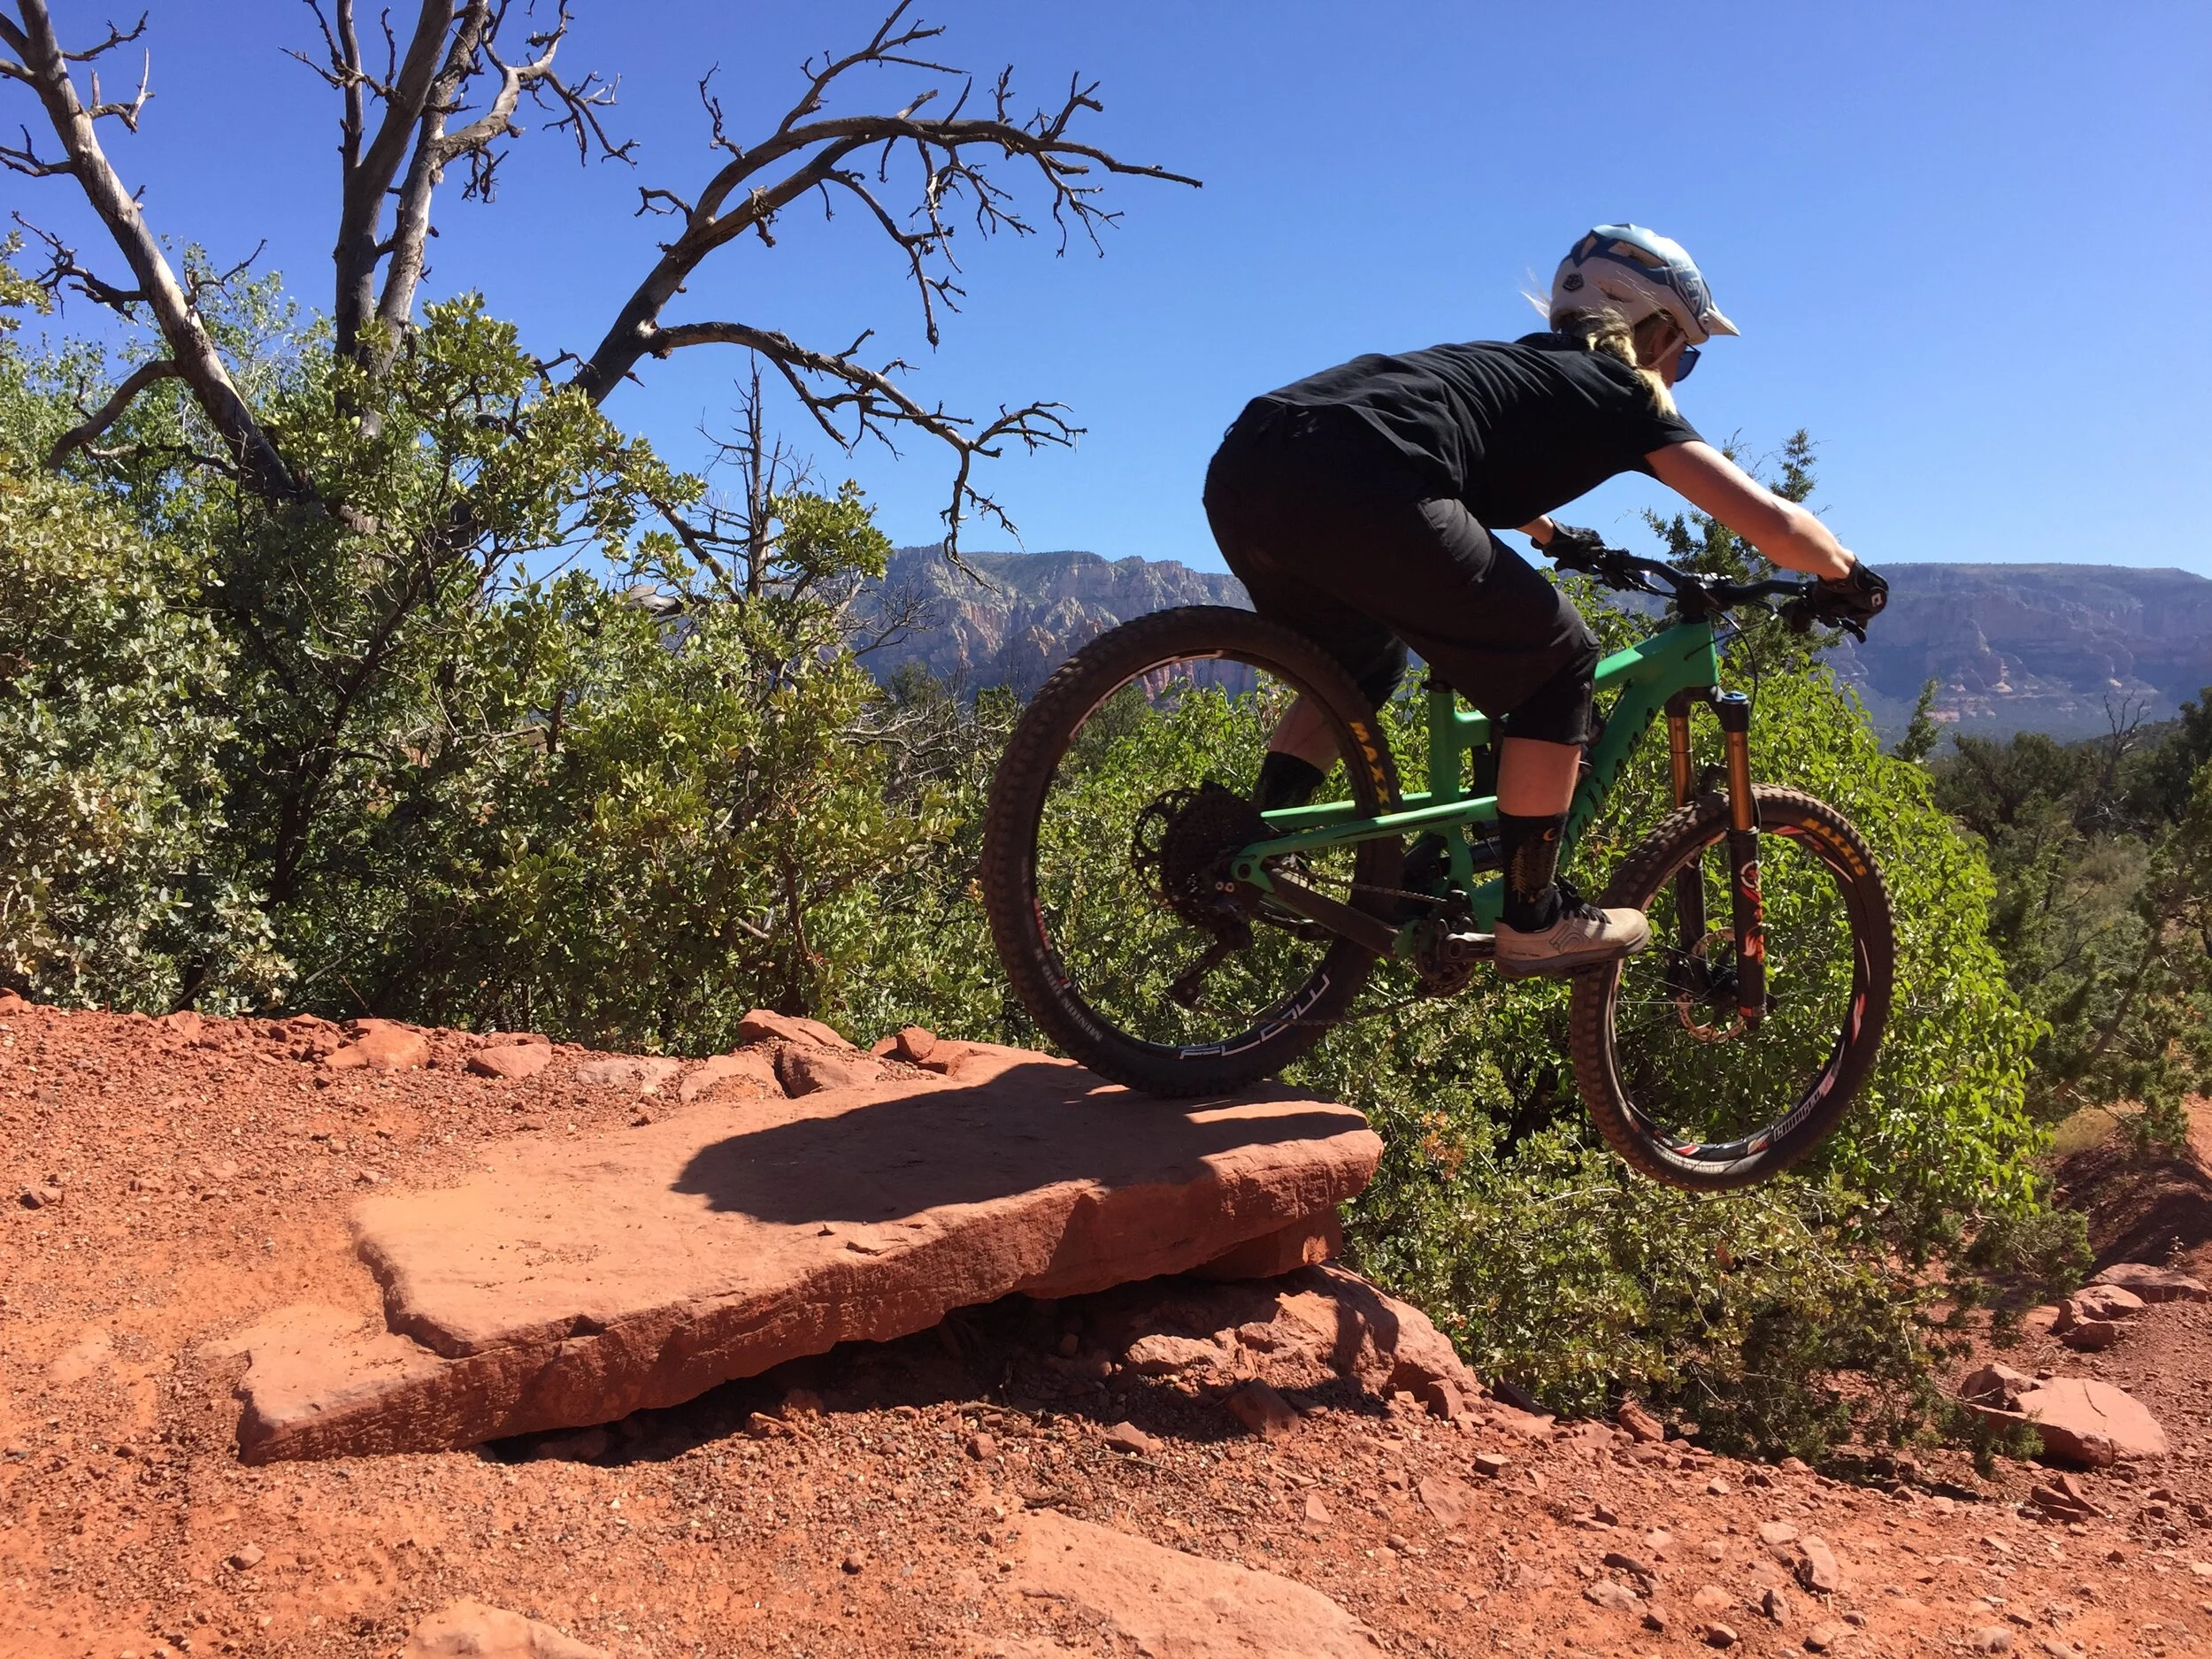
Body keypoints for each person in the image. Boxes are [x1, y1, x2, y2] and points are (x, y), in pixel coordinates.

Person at [1202, 224, 1887, 977]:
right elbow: (1774, 525)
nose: (1680, 370)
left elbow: (1456, 439)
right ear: (1653, 327)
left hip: (1254, 461)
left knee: (1361, 664)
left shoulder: (1529, 367)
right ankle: (1534, 918)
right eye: (1686, 353)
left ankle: (1250, 844)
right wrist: (1848, 575)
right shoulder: (1626, 392)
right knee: (1560, 662)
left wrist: (1555, 535)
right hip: (1361, 474)